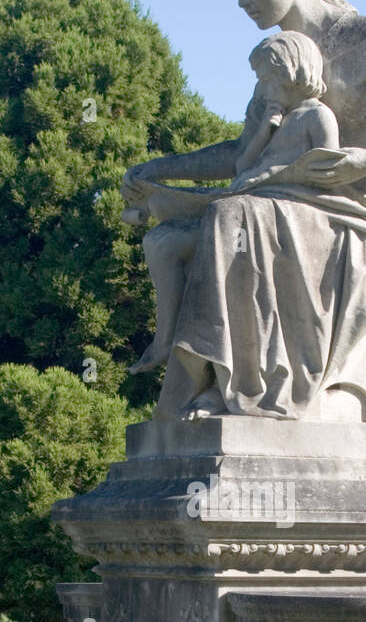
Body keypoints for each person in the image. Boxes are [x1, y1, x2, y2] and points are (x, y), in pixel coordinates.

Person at [121, 0, 366, 419]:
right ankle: (197, 388)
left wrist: (364, 160)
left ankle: (244, 392)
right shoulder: (279, 61)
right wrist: (162, 167)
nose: (243, 0)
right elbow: (244, 154)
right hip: (293, 195)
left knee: (235, 219)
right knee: (189, 230)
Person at [126, 31, 339, 373]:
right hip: (245, 206)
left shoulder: (317, 117)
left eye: (267, 79)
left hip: (282, 214)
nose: (262, 89)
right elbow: (242, 163)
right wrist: (265, 130)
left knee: (225, 215)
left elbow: (326, 177)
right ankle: (164, 343)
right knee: (160, 241)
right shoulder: (274, 118)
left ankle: (225, 368)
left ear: (293, 72)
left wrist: (271, 178)